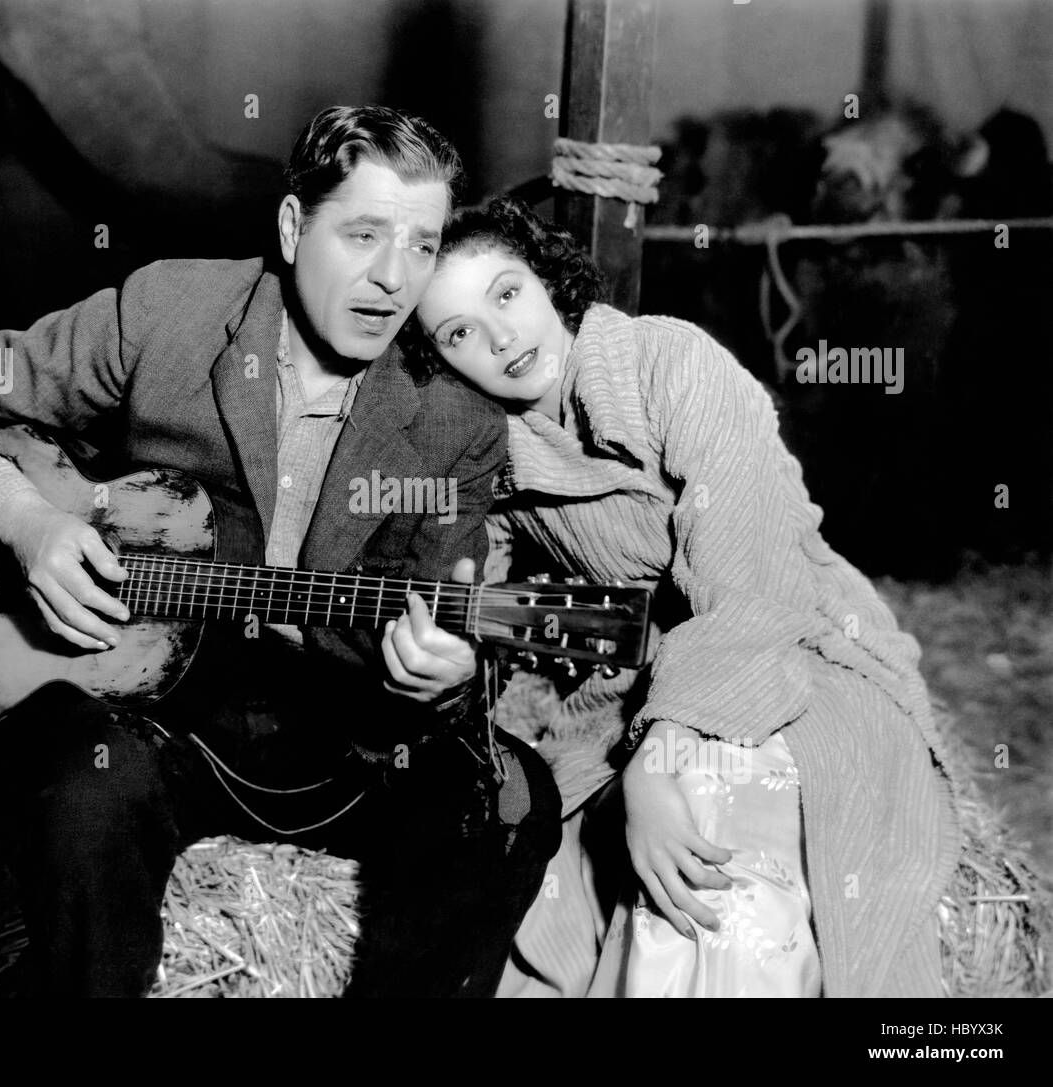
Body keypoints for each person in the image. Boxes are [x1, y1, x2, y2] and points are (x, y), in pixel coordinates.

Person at [0, 108, 561, 998]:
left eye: (422, 245)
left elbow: (444, 621)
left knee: (516, 797)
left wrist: (441, 677)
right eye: (362, 234)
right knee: (84, 783)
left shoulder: (454, 416)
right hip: (155, 712)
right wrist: (22, 519)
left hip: (327, 737)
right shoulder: (171, 311)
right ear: (291, 228)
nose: (394, 278)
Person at [400, 196, 959, 997]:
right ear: (440, 359)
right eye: (457, 332)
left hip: (793, 656)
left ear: (546, 282)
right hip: (620, 699)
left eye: (505, 293)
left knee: (705, 856)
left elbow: (751, 583)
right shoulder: (491, 450)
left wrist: (658, 759)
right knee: (515, 882)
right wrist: (441, 662)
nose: (498, 337)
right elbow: (468, 589)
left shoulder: (669, 363)